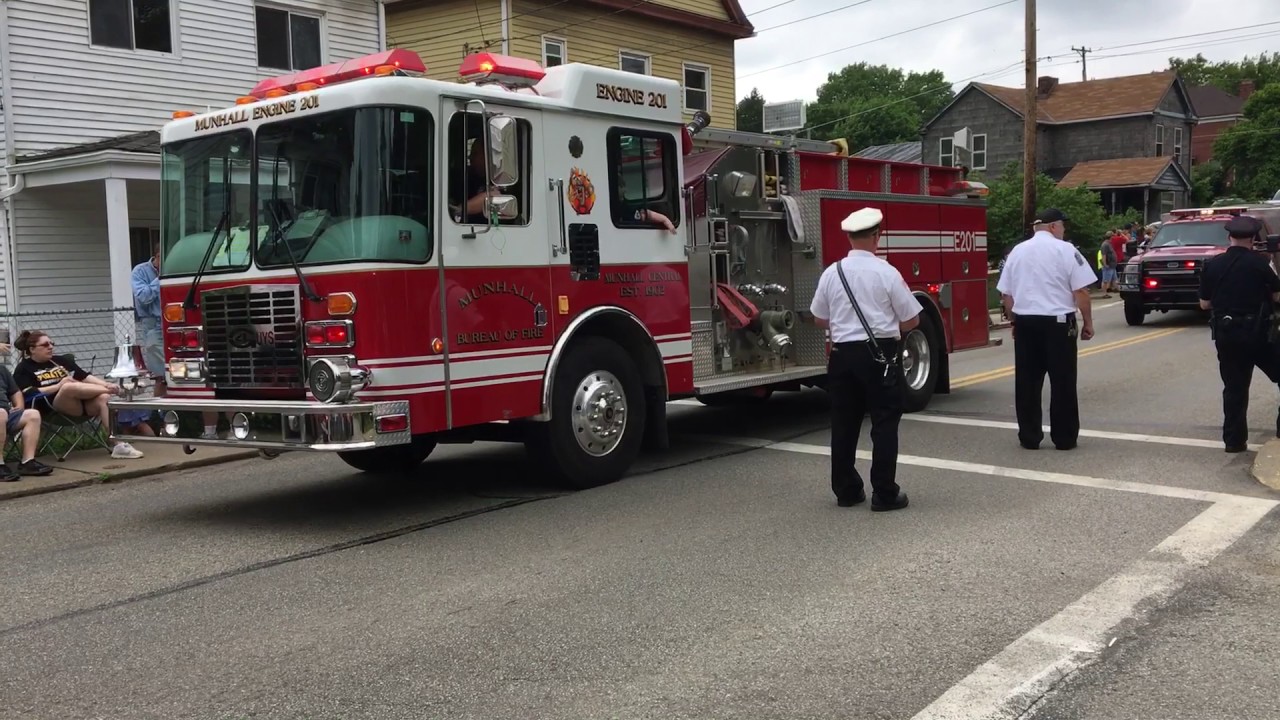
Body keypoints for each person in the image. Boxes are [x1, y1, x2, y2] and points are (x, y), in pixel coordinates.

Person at [809, 207, 916, 512]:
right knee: (883, 422)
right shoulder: (886, 272)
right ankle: (884, 492)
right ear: (876, 236)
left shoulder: (832, 272)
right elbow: (911, 321)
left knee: (843, 423)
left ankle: (846, 490)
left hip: (842, 355)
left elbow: (819, 318)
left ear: (849, 237)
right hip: (879, 353)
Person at [997, 208, 1097, 451]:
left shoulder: (1017, 252)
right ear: (1053, 226)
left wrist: (1014, 322)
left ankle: (1029, 437)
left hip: (1026, 323)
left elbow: (1006, 295)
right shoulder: (1066, 250)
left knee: (1027, 382)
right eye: (1063, 225)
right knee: (1062, 382)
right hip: (1058, 323)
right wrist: (1088, 322)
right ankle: (1064, 438)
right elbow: (1081, 291)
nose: (1064, 230)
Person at [1197, 215, 1280, 452]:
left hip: (1227, 334)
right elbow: (1276, 295)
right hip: (1259, 333)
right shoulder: (1260, 264)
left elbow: (1204, 304)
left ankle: (1234, 442)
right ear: (1253, 238)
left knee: (1234, 388)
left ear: (1228, 237)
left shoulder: (1213, 265)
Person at [11, 330, 144, 459]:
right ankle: (120, 390)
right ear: (32, 349)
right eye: (45, 345)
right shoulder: (24, 368)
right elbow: (28, 393)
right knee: (68, 386)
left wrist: (106, 385)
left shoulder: (59, 361)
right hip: (52, 407)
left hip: (79, 403)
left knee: (104, 398)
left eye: (52, 343)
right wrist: (58, 386)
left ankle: (119, 445)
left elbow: (84, 376)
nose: (51, 347)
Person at [0, 363, 54, 481]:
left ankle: (27, 462)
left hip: (5, 413)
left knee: (32, 415)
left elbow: (15, 392)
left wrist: (19, 406)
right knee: (1, 413)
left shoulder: (2, 369)